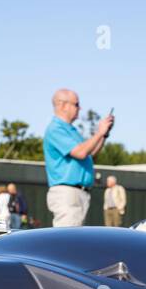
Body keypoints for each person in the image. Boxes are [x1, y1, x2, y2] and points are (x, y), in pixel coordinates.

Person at [43, 89, 113, 227]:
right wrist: (99, 132)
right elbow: (81, 152)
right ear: (63, 105)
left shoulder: (70, 130)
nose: (79, 108)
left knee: (72, 241)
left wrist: (104, 135)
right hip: (67, 193)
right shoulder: (55, 129)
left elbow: (89, 153)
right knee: (67, 242)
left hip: (78, 193)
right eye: (76, 104)